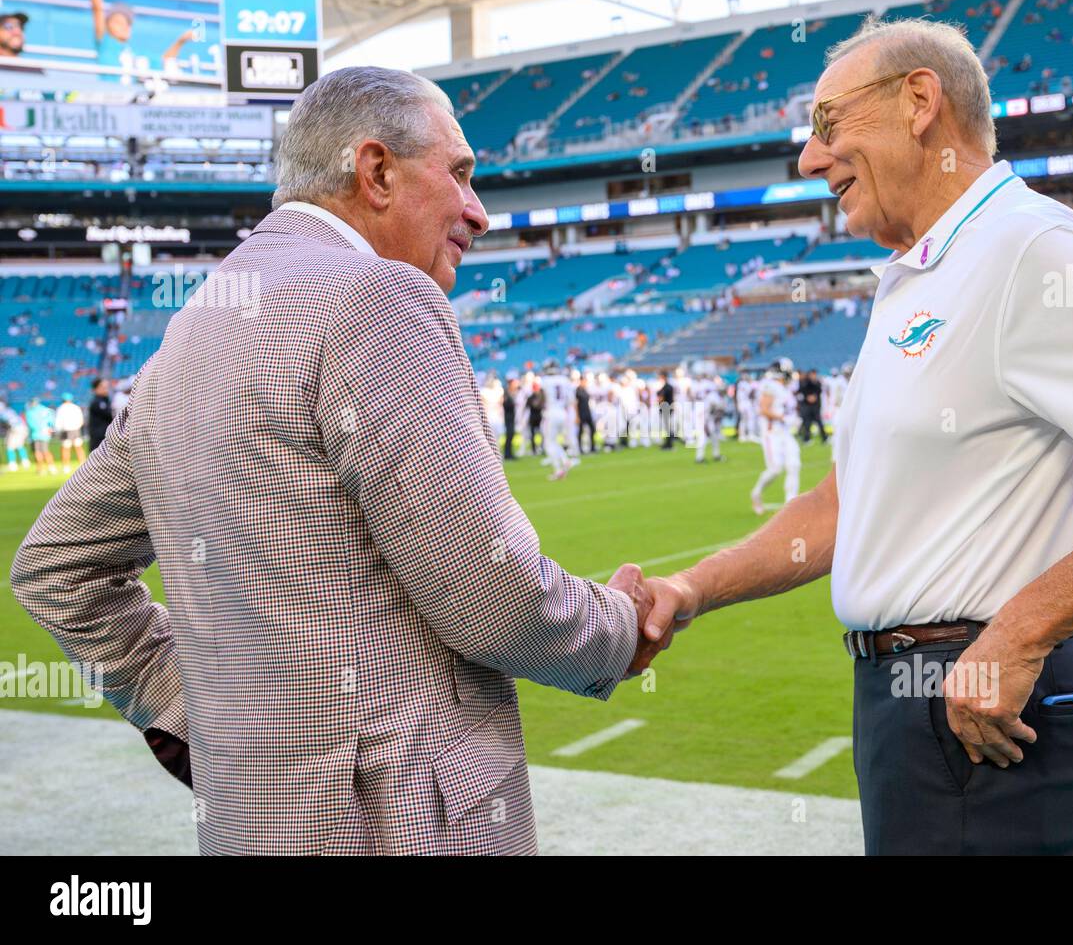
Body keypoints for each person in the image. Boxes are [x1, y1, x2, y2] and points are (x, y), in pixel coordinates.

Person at [630, 17, 1073, 856]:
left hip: (983, 697)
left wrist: (1022, 631)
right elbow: (845, 501)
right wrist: (693, 589)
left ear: (919, 101)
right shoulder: (921, 272)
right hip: (918, 697)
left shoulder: (1025, 245)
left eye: (828, 125)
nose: (809, 159)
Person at [11, 67, 657, 856]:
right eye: (459, 174)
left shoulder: (189, 331)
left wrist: (191, 711)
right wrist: (619, 628)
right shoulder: (376, 297)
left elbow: (54, 567)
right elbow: (493, 599)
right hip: (398, 822)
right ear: (376, 170)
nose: (479, 213)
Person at [750, 358, 801, 514]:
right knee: (775, 469)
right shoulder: (770, 385)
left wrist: (793, 419)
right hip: (772, 434)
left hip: (785, 432)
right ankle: (756, 492)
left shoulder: (785, 388)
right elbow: (763, 409)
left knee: (794, 465)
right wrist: (783, 418)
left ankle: (790, 503)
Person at [539, 359, 576, 480]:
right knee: (554, 441)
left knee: (549, 443)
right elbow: (570, 400)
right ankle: (565, 460)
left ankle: (558, 469)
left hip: (551, 413)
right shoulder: (565, 380)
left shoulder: (545, 381)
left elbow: (542, 399)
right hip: (563, 412)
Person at [54, 393, 86, 473]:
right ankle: (83, 465)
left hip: (66, 430)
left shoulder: (61, 408)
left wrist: (57, 431)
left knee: (65, 449)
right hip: (76, 430)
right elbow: (81, 420)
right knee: (79, 448)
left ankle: (66, 467)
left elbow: (58, 422)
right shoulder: (76, 407)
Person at [24, 398, 54, 475]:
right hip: (45, 434)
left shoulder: (30, 412)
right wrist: (50, 429)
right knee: (46, 451)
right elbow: (51, 421)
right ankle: (51, 467)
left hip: (35, 434)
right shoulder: (46, 410)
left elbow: (30, 425)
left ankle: (40, 469)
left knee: (38, 452)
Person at [797, 368, 827, 443]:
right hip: (807, 406)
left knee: (819, 422)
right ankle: (806, 438)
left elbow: (819, 391)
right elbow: (802, 390)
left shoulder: (818, 382)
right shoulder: (805, 382)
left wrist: (814, 396)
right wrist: (808, 397)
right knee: (807, 422)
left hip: (816, 406)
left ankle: (824, 438)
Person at [87, 378, 114, 452]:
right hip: (99, 437)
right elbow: (110, 415)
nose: (106, 389)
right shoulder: (97, 402)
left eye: (106, 387)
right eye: (103, 387)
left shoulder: (105, 400)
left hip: (104, 435)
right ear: (96, 389)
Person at [501, 375, 518, 459]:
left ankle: (510, 453)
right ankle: (507, 454)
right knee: (509, 435)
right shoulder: (507, 393)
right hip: (508, 417)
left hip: (511, 417)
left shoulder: (511, 393)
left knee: (511, 435)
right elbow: (505, 404)